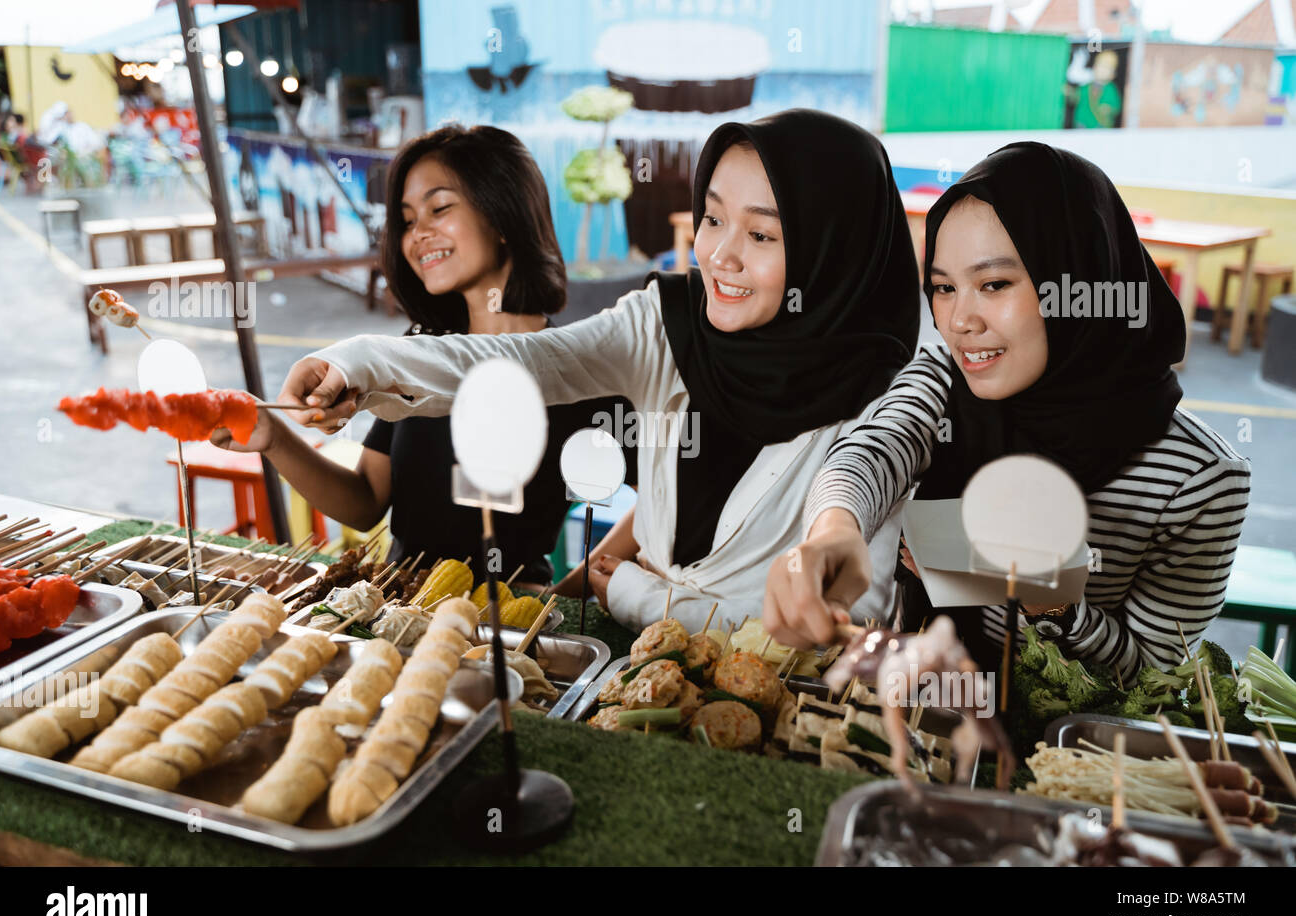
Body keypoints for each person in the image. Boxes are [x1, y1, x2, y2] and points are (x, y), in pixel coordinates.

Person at [275, 109, 921, 634]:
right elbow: (518, 361)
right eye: (714, 218)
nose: (720, 256)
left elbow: (857, 483)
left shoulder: (893, 381)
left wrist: (640, 593)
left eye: (763, 236)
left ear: (833, 249)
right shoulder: (664, 323)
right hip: (650, 662)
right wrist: (357, 360)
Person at [764, 142, 1250, 681]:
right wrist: (834, 531)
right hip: (927, 709)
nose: (958, 321)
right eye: (944, 287)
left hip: (1061, 752)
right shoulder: (947, 380)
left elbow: (1151, 680)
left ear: (1078, 282)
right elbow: (873, 452)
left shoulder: (1199, 480)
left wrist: (1055, 605)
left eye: (994, 284)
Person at [213, 124, 626, 585]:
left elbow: (671, 492)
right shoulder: (415, 352)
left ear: (504, 215)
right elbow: (367, 499)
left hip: (510, 630)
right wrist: (273, 437)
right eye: (408, 220)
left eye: (440, 208)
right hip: (397, 613)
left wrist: (584, 579)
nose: (417, 235)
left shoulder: (573, 368)